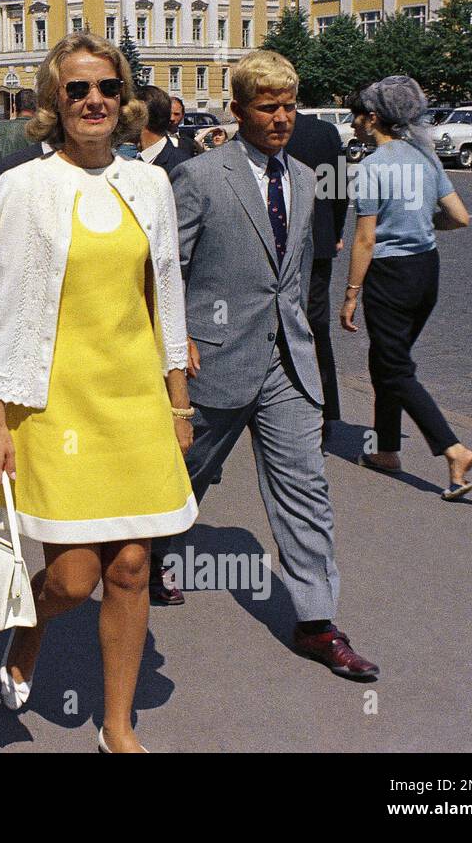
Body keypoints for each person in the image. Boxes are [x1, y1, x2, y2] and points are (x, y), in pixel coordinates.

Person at [0, 34, 195, 754]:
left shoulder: (149, 183)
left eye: (108, 89)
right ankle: (29, 630)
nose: (95, 101)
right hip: (51, 405)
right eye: (78, 90)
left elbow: (168, 296)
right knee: (71, 574)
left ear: (125, 100)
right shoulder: (21, 189)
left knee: (130, 566)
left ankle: (116, 727)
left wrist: (179, 401)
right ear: (53, 103)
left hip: (135, 402)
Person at [151, 50, 379, 680]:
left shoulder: (305, 178)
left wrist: (305, 336)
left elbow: (295, 274)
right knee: (185, 476)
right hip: (214, 360)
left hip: (287, 363)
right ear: (239, 110)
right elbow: (166, 268)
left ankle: (317, 621)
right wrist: (178, 342)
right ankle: (146, 558)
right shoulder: (200, 177)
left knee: (305, 491)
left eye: (289, 106)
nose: (281, 119)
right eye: (267, 107)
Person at [341, 76, 472, 501]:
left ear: (373, 119)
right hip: (426, 270)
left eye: (358, 116)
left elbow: (365, 239)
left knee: (395, 368)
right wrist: (423, 225)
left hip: (390, 275)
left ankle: (453, 449)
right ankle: (387, 449)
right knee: (387, 358)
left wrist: (352, 292)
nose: (354, 124)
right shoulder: (427, 158)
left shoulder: (372, 166)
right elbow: (460, 217)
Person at [288, 110, 348, 440]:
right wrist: (334, 231)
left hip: (279, 239)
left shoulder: (256, 127)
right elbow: (339, 189)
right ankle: (326, 412)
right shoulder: (325, 133)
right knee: (315, 327)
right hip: (319, 238)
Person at [119, 84, 193, 174]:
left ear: (141, 119)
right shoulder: (129, 161)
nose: (125, 122)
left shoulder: (182, 168)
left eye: (128, 116)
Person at [0, 88, 36, 172]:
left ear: (14, 106)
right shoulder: (44, 130)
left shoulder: (1, 130)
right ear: (37, 107)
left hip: (7, 181)